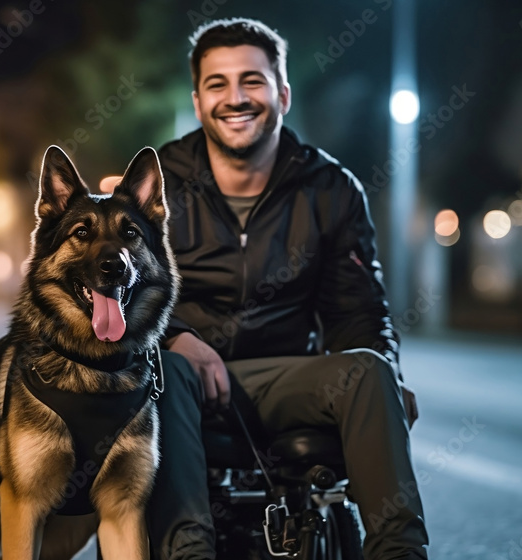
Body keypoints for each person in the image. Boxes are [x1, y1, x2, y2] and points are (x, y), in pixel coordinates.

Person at [139, 17, 430, 560]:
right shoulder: (158, 186)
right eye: (218, 84)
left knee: (368, 368)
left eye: (253, 80)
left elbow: (359, 310)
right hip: (182, 382)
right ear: (198, 102)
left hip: (282, 377)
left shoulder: (331, 188)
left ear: (283, 94)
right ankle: (188, 552)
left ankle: (400, 554)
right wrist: (175, 335)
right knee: (169, 368)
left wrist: (388, 378)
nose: (236, 97)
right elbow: (126, 296)